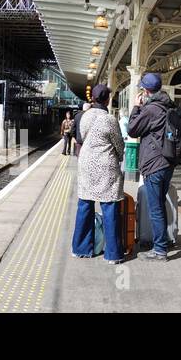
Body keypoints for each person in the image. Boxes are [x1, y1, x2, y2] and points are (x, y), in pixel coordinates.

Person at [126, 73, 179, 261]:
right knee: (160, 204)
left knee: (155, 208)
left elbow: (132, 129)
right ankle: (161, 242)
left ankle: (160, 250)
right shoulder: (169, 106)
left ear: (146, 91)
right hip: (168, 163)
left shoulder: (151, 109)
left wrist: (135, 107)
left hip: (155, 164)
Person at [72, 84, 126, 265]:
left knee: (85, 204)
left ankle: (80, 249)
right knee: (109, 207)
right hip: (105, 165)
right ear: (107, 99)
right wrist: (118, 157)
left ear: (93, 99)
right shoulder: (109, 119)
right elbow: (119, 145)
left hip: (86, 163)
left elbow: (80, 138)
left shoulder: (85, 116)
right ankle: (113, 254)